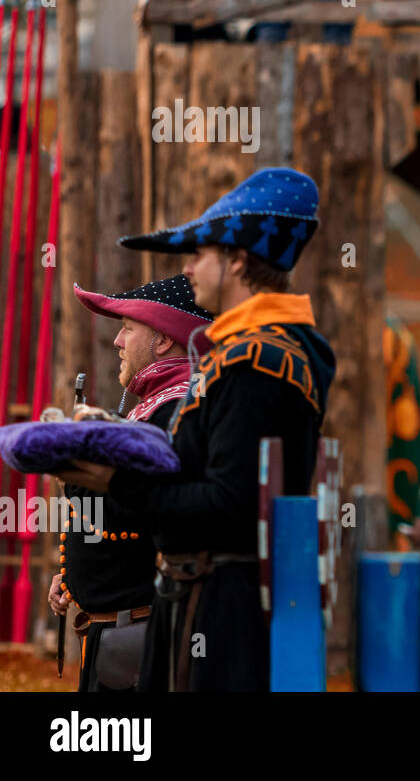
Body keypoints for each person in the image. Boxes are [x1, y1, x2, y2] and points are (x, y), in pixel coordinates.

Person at [54, 167, 336, 691]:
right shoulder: (249, 355)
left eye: (198, 253)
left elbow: (225, 508)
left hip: (223, 620)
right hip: (202, 605)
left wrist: (112, 481)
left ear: (236, 260)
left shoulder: (256, 362)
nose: (188, 268)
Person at [47, 275, 212, 692]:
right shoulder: (157, 408)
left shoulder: (175, 412)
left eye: (127, 328)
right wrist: (71, 574)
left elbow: (138, 505)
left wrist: (73, 466)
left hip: (136, 640)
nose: (117, 341)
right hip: (117, 636)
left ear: (161, 341)